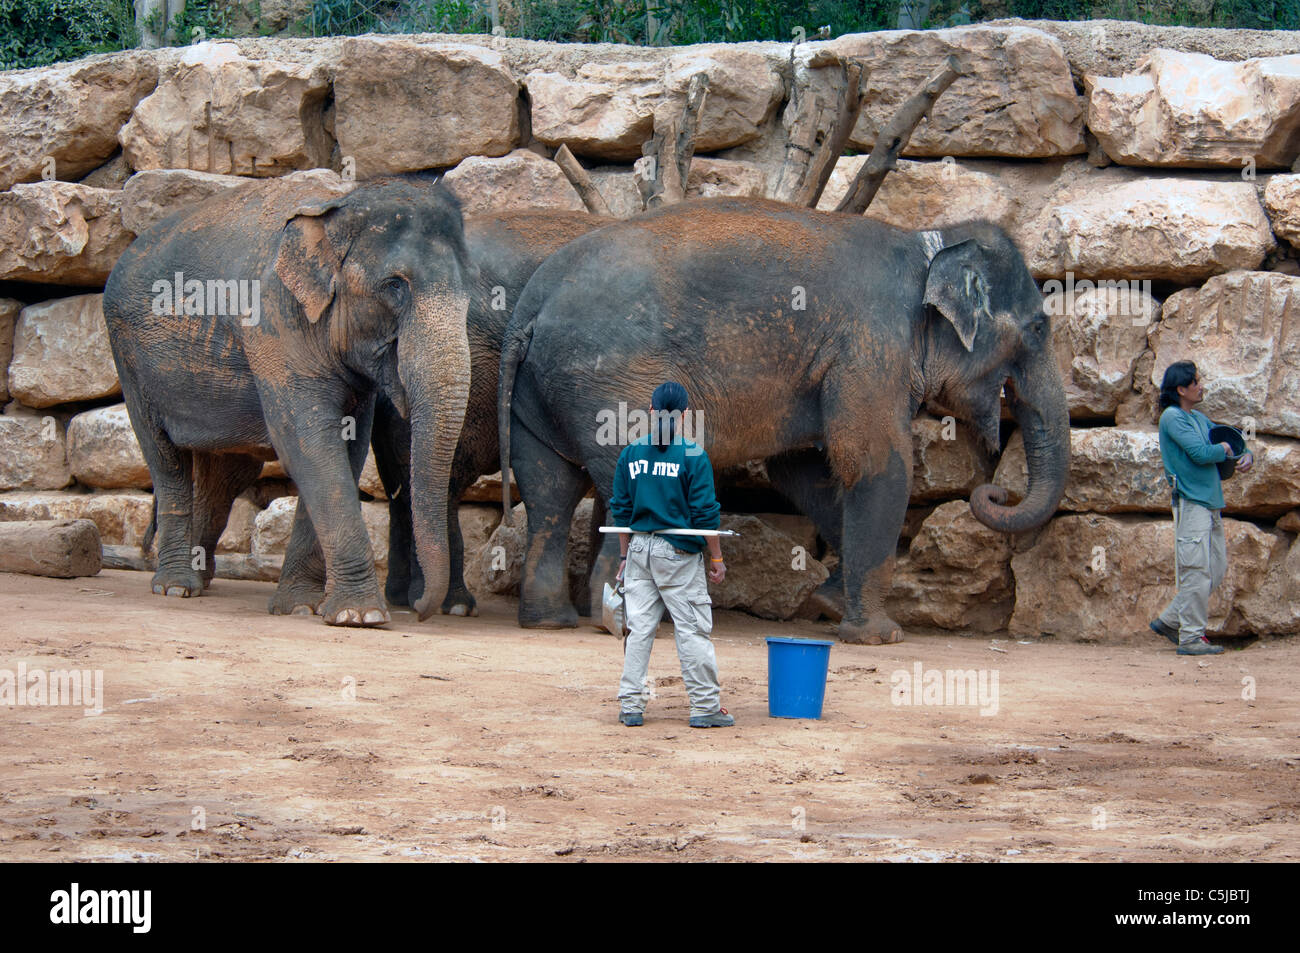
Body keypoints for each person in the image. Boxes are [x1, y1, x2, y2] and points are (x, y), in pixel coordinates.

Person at [609, 381, 732, 728]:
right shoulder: (693, 455)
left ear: (651, 411)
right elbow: (706, 515)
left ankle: (631, 706)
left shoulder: (630, 454)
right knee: (692, 630)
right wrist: (717, 558)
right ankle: (705, 706)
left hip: (639, 551)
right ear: (685, 416)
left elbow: (622, 511)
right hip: (677, 554)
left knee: (639, 629)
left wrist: (623, 557)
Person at [1151, 361, 1253, 656]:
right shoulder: (1172, 418)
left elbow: (1231, 439)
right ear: (1181, 389)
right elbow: (1200, 452)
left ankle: (1170, 620)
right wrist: (1223, 450)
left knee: (1215, 568)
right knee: (1196, 570)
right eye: (1195, 381)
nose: (1201, 385)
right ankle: (1191, 637)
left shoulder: (1197, 418)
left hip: (1210, 502)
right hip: (1191, 502)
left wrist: (1246, 456)